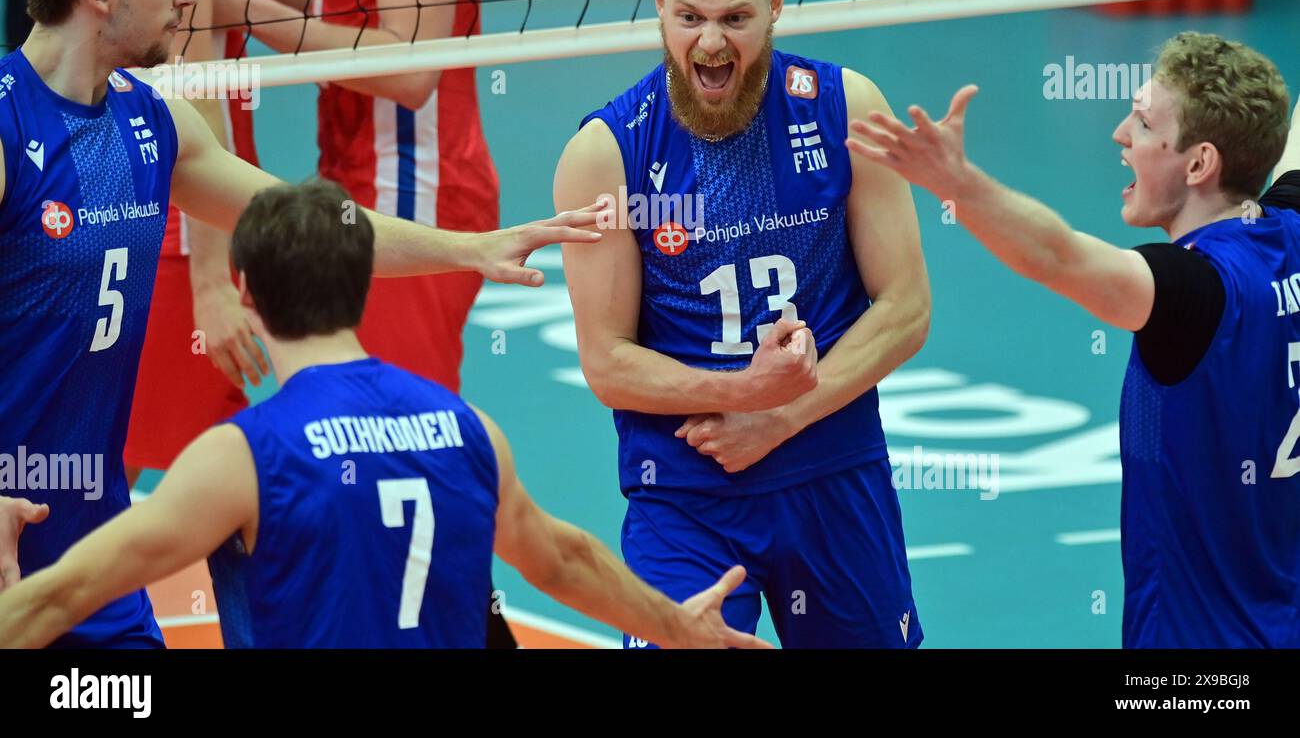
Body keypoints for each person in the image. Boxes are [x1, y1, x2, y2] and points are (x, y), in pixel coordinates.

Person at [0, 0, 599, 647]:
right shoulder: (10, 130)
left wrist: (472, 248)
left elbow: (306, 222)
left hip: (92, 549)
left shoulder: (155, 123)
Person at [0, 180, 766, 649]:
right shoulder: (470, 431)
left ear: (247, 299)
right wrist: (675, 625)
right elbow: (561, 559)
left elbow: (69, 592)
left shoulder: (241, 459)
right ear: (364, 287)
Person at [554, 0, 933, 648]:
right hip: (688, 494)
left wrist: (780, 414)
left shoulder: (844, 109)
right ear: (660, 1)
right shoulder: (606, 153)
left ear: (777, 6)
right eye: (690, 16)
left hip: (833, 469)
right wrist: (741, 395)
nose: (711, 42)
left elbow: (907, 308)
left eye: (736, 18)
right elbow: (607, 363)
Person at [849, 31, 1300, 647]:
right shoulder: (1290, 231)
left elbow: (1056, 256)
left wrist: (953, 179)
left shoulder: (1194, 293)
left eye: (1142, 125)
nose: (1120, 134)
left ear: (1198, 164)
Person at [3, 0, 268, 480]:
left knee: (204, 462)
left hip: (170, 208)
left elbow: (198, 70)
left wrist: (213, 280)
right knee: (91, 447)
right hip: (89, 192)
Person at [206, 0, 496, 394]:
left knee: (403, 436)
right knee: (350, 417)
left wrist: (250, 9)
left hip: (414, 191)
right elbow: (357, 25)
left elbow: (412, 69)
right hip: (356, 179)